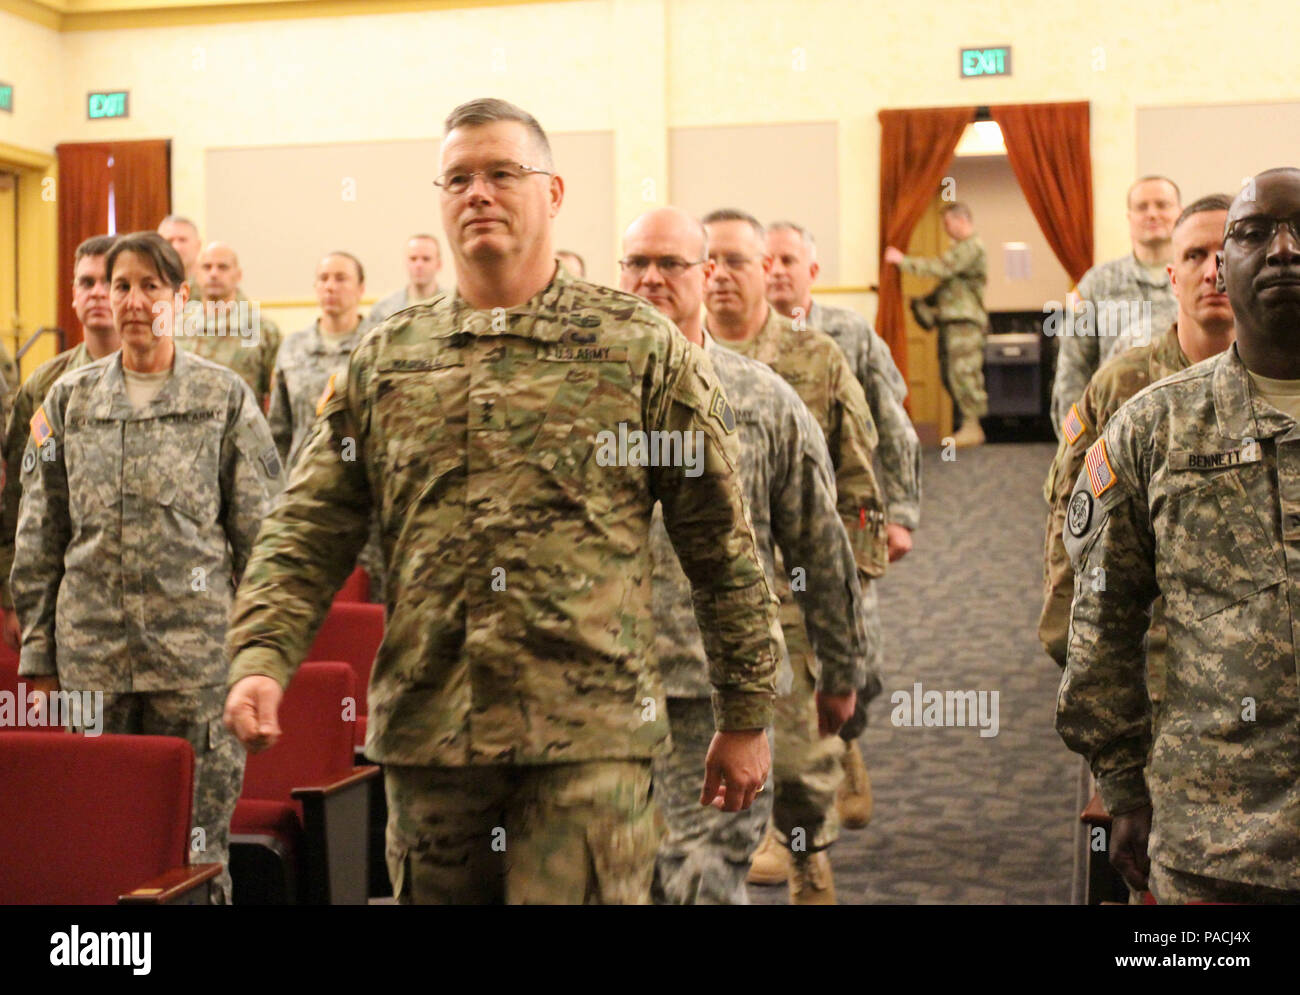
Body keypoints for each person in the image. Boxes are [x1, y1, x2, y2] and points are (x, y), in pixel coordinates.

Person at [222, 98, 780, 906]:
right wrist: (263, 655)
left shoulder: (637, 348)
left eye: (501, 174)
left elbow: (718, 543)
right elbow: (309, 525)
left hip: (588, 738)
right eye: (458, 178)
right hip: (432, 736)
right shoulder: (387, 360)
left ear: (552, 194)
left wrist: (746, 710)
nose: (477, 192)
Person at [11, 231, 283, 904]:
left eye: (150, 287)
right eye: (120, 285)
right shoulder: (68, 402)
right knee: (97, 842)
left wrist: (257, 655)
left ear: (179, 300)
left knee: (197, 851)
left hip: (196, 664)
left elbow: (261, 539)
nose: (132, 301)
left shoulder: (222, 398)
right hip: (91, 662)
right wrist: (40, 661)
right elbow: (40, 538)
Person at [1058, 168, 1300, 904]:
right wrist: (1124, 785)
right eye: (1256, 233)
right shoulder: (1153, 424)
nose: (1285, 250)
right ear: (1223, 266)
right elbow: (1101, 621)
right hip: (1216, 841)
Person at [620, 206, 869, 905]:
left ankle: (807, 855)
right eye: (635, 264)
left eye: (669, 264)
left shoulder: (764, 399)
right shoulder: (584, 401)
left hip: (718, 686)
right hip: (605, 690)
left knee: (700, 879)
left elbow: (821, 546)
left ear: (705, 275)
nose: (650, 278)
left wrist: (842, 666)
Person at [703, 208, 887, 904]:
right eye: (709, 261)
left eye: (737, 261)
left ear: (765, 270)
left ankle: (808, 850)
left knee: (805, 762)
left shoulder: (815, 358)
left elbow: (857, 472)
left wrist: (855, 583)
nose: (721, 275)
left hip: (795, 589)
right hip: (699, 603)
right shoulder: (669, 364)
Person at [767, 219, 922, 826]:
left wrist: (899, 515)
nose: (775, 270)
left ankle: (847, 744)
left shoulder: (849, 336)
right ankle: (791, 817)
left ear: (812, 271)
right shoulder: (729, 344)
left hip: (840, 528)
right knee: (775, 666)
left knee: (858, 662)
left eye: (788, 260)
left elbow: (895, 426)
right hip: (766, 538)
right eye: (766, 260)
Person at [1040, 195, 1234, 669]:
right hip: (1155, 660)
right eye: (1195, 256)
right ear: (1173, 277)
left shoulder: (1280, 382)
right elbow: (1074, 512)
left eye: (1227, 256)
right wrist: (1073, 643)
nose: (1213, 271)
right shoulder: (1122, 385)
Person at [0, 235, 123, 652]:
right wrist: (13, 597)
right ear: (73, 295)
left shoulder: (182, 383)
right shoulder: (44, 387)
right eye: (87, 283)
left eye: (112, 281)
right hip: (72, 596)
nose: (99, 292)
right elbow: (19, 498)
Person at [1050, 177, 1181, 433]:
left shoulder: (1201, 279)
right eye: (1142, 207)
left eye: (1162, 205)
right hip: (1115, 430)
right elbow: (1073, 366)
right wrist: (1074, 443)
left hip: (1187, 430)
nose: (1152, 213)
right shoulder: (1097, 283)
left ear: (1180, 213)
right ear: (1129, 217)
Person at [884, 202, 988, 446]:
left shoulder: (971, 247)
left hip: (965, 322)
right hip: (951, 321)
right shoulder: (961, 248)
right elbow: (946, 286)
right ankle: (968, 424)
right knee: (949, 373)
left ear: (961, 220)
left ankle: (973, 426)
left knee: (963, 372)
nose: (946, 229)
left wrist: (903, 261)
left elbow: (942, 268)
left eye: (948, 224)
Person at [270, 252, 373, 470]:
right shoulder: (293, 346)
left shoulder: (375, 346)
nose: (330, 286)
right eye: (323, 278)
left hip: (358, 482)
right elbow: (279, 430)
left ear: (361, 289)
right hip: (301, 479)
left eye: (341, 278)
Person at [177, 242, 282, 410]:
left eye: (223, 267)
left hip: (241, 428)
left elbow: (276, 394)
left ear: (238, 275)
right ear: (196, 274)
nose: (213, 274)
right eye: (207, 267)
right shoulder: (176, 326)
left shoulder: (262, 330)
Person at [369, 235, 443, 323]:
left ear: (438, 264)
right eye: (413, 259)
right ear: (406, 263)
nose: (419, 265)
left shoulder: (453, 305)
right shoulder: (383, 309)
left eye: (426, 259)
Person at [158, 214, 203, 300]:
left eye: (182, 240)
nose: (176, 247)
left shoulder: (211, 288)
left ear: (198, 245)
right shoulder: (149, 288)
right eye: (169, 241)